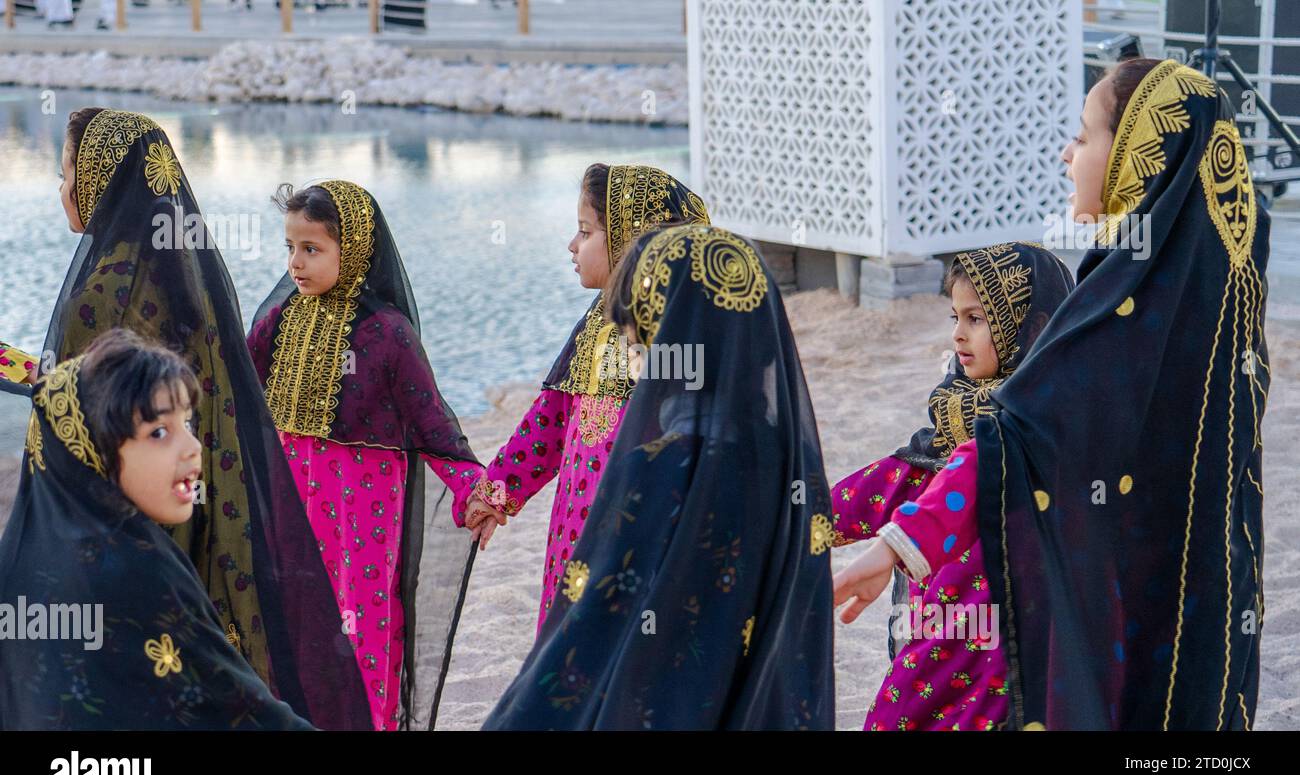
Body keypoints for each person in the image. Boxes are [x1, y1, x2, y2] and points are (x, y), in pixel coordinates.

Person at [838, 58, 1270, 731]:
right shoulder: (1209, 294)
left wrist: (893, 545)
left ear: (1136, 157)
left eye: (1084, 134)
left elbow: (1018, 433)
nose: (1068, 153)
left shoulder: (1119, 306)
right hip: (1182, 612)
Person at [45, 107, 370, 729]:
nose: (61, 189)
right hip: (200, 517)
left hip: (130, 528)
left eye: (66, 172)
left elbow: (86, 425)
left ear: (97, 181)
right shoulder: (183, 277)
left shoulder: (104, 290)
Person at [483, 223, 834, 730]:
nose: (636, 363)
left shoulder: (656, 467)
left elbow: (591, 627)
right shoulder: (794, 465)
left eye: (638, 342)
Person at [247, 180, 483, 730]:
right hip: (292, 511)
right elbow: (233, 394)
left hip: (362, 522)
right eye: (290, 248)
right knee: (292, 624)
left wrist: (477, 489)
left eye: (312, 249)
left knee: (362, 633)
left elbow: (432, 425)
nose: (296, 263)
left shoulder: (387, 334)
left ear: (350, 249)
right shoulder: (277, 324)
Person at [0, 330, 313, 729]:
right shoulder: (140, 571)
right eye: (159, 433)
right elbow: (241, 711)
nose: (192, 447)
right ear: (93, 446)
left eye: (186, 422)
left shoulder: (21, 559)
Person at [830, 242, 1072, 730]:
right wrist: (788, 520)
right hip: (932, 649)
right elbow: (887, 486)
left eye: (977, 318)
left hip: (1014, 656)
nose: (959, 335)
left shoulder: (1046, 429)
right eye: (954, 317)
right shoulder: (952, 424)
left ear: (1033, 327)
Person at [467, 164, 710, 631]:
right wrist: (498, 491)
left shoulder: (679, 333)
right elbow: (552, 421)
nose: (572, 245)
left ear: (632, 237)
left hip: (644, 538)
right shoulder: (599, 321)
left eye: (585, 231)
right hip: (575, 535)